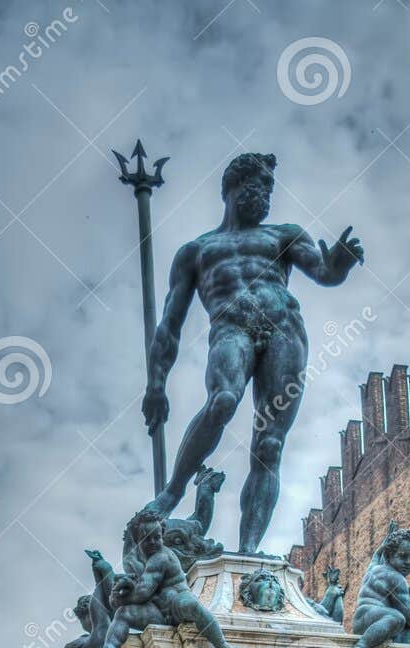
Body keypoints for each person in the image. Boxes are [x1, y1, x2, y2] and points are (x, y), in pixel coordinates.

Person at [142, 152, 363, 554]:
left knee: (269, 444)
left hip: (284, 330)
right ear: (231, 189)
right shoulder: (197, 251)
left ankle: (248, 552)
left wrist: (340, 268)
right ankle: (173, 492)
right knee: (223, 400)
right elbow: (169, 326)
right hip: (231, 327)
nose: (263, 196)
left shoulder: (283, 235)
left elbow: (324, 273)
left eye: (268, 189)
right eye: (255, 186)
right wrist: (156, 385)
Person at [87, 512, 238, 648]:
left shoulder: (162, 557)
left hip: (176, 604)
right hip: (158, 612)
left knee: (191, 605)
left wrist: (121, 597)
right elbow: (136, 585)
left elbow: (142, 592)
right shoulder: (137, 558)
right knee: (124, 613)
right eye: (147, 539)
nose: (153, 542)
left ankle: (222, 644)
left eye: (157, 537)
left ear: (162, 535)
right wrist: (120, 591)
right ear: (137, 539)